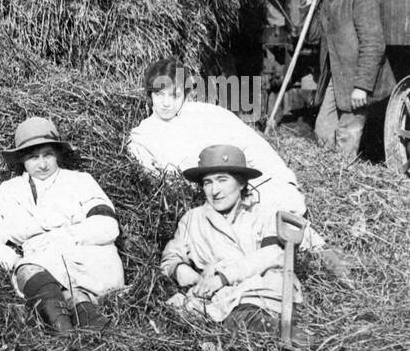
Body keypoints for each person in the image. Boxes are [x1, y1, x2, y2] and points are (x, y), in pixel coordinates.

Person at [126, 58, 351, 278]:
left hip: (234, 186)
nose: (166, 103)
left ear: (185, 94)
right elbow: (153, 176)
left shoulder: (205, 115)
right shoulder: (143, 135)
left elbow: (249, 146)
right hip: (199, 199)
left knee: (270, 207)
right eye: (159, 95)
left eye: (174, 95)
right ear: (149, 96)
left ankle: (321, 253)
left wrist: (255, 182)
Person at [0, 117, 124, 335]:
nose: (43, 164)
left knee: (72, 287)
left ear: (57, 153)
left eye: (47, 154)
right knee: (30, 271)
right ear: (21, 159)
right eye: (33, 157)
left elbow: (107, 225)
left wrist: (64, 238)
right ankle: (65, 328)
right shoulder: (9, 191)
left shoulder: (80, 181)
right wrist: (15, 262)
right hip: (40, 264)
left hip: (89, 258)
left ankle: (89, 320)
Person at [161, 144, 306, 341]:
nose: (215, 191)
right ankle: (261, 328)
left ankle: (268, 327)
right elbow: (171, 256)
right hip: (218, 293)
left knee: (274, 284)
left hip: (260, 284)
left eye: (222, 180)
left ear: (241, 183)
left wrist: (224, 277)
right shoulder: (193, 219)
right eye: (207, 182)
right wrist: (183, 272)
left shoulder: (263, 213)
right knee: (213, 307)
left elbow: (273, 254)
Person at [306, 0, 387, 161]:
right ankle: (331, 179)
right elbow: (312, 37)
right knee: (323, 131)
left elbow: (373, 44)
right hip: (337, 76)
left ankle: (344, 181)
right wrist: (310, 1)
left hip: (359, 76)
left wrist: (362, 86)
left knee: (346, 136)